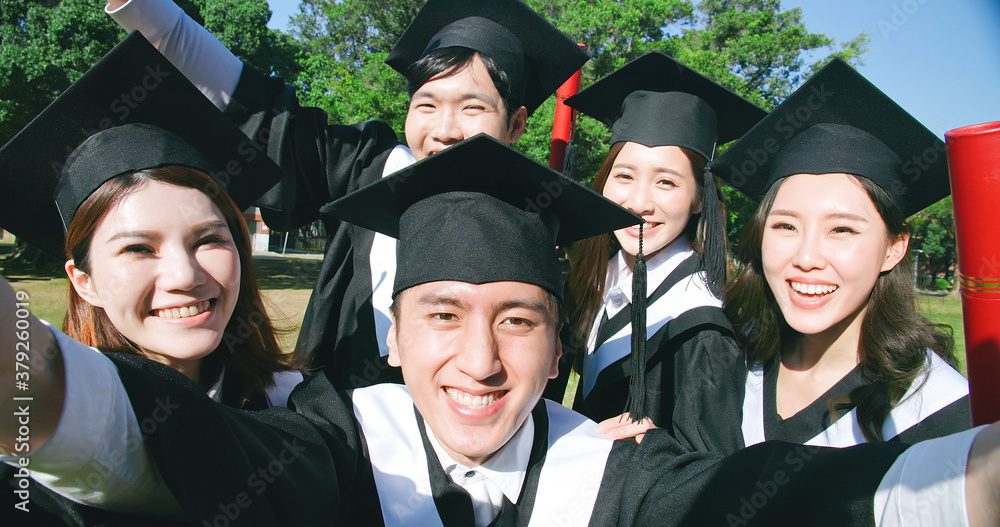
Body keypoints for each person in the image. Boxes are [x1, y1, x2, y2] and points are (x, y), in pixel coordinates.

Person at [5, 134, 1000, 527]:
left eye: (519, 319)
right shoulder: (338, 446)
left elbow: (753, 498)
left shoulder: (611, 475)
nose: (479, 360)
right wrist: (23, 363)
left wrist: (976, 478)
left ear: (561, 350)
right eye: (441, 314)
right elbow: (169, 440)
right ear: (390, 334)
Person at [103, 0, 591, 390]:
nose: (444, 130)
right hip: (343, 425)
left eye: (472, 107)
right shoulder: (369, 167)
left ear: (518, 124)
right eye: (426, 105)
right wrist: (149, 11)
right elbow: (259, 110)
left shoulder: (535, 212)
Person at [0, 33, 302, 525]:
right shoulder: (26, 468)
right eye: (139, 248)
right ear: (84, 281)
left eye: (209, 239)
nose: (184, 275)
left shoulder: (305, 409)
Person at [713, 58, 970, 447]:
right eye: (785, 226)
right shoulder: (724, 365)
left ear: (894, 248)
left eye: (842, 229)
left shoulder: (939, 418)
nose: (807, 256)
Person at [560, 51, 764, 452]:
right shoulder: (601, 278)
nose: (639, 202)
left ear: (700, 199)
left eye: (666, 183)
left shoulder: (702, 328)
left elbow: (707, 479)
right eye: (624, 176)